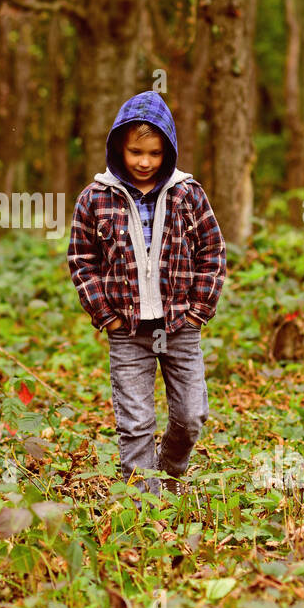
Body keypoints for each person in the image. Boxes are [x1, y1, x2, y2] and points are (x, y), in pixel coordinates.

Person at [67, 92, 227, 499]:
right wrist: (107, 315)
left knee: (191, 416)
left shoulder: (187, 193)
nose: (144, 161)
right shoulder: (96, 197)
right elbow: (81, 259)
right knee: (136, 422)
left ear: (167, 151)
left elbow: (213, 251)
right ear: (119, 146)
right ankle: (144, 505)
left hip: (180, 326)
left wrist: (198, 311)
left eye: (154, 153)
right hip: (127, 329)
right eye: (136, 151)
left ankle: (170, 471)